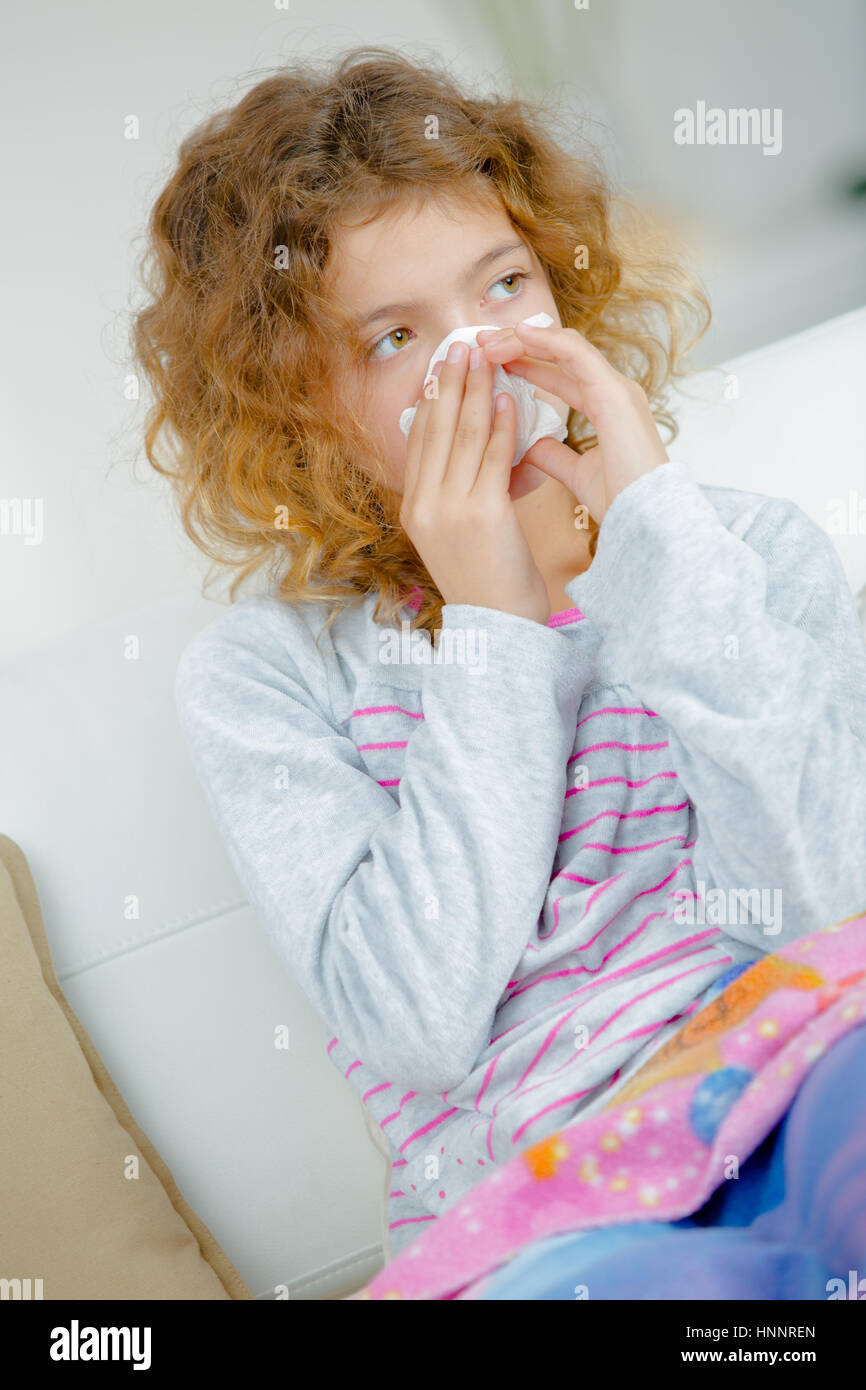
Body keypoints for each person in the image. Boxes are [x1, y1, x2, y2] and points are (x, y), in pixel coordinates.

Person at [131, 46, 866, 1262]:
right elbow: (416, 1024)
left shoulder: (738, 556)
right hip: (548, 1209)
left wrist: (653, 538)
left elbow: (825, 907)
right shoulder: (272, 678)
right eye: (391, 338)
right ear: (296, 411)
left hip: (807, 1073)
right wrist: (492, 630)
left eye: (504, 283)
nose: (475, 356)